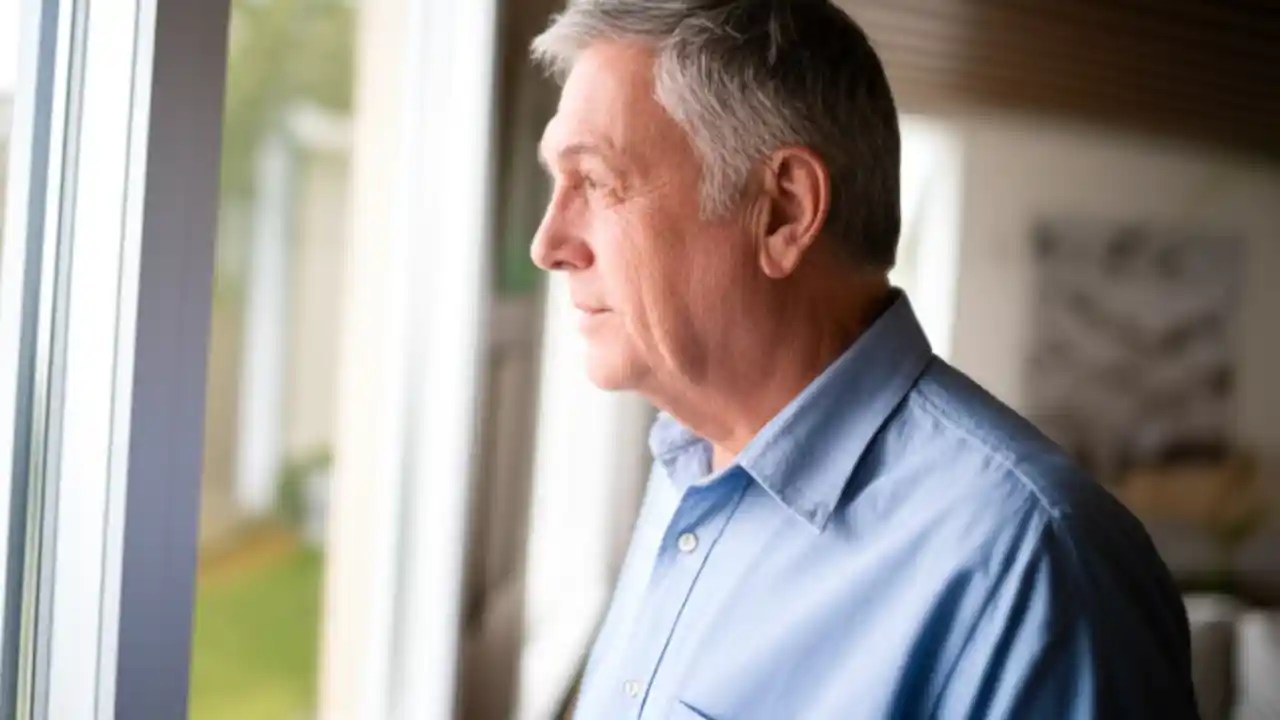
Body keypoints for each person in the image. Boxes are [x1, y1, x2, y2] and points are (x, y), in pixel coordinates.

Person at [528, 1, 1198, 718]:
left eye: (596, 182)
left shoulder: (1035, 567)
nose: (548, 243)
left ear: (782, 211)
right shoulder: (685, 466)